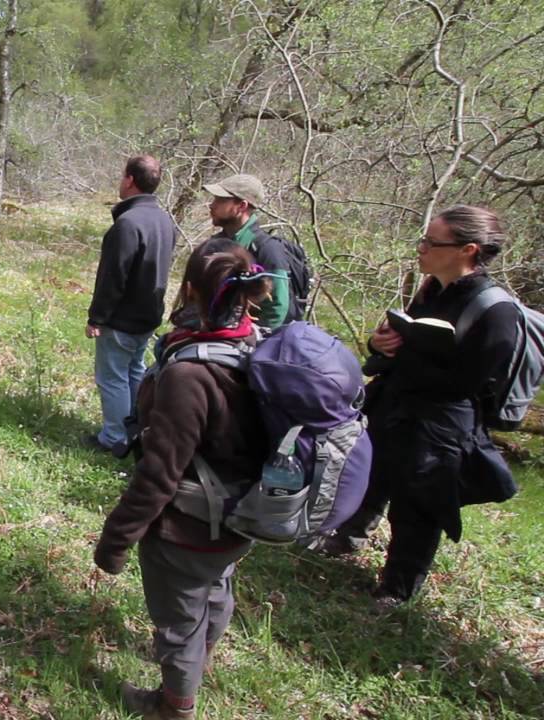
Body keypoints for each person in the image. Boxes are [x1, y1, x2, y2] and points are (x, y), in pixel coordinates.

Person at [93, 243, 272, 719]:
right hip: (242, 516)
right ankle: (197, 664)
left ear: (190, 289)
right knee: (216, 591)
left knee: (179, 622)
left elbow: (159, 473)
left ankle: (174, 705)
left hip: (188, 528)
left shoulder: (190, 375)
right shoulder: (257, 342)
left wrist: (115, 541)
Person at [315, 206, 517, 606]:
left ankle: (397, 588)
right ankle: (349, 535)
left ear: (468, 250)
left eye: (431, 242)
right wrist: (380, 344)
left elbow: (469, 383)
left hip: (439, 424)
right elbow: (398, 340)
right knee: (372, 472)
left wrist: (409, 358)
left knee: (418, 506)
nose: (421, 247)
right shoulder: (431, 288)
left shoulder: (497, 312)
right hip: (396, 403)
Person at [85, 155, 177, 458]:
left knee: (112, 377)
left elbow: (113, 278)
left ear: (130, 180)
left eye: (122, 175)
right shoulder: (164, 219)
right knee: (134, 371)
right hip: (148, 315)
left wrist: (97, 317)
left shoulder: (127, 224)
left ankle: (114, 439)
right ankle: (137, 429)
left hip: (122, 319)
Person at [203, 174, 296, 329]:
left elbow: (277, 308)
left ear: (242, 206)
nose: (212, 205)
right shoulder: (214, 243)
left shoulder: (267, 249)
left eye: (220, 200)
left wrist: (254, 342)